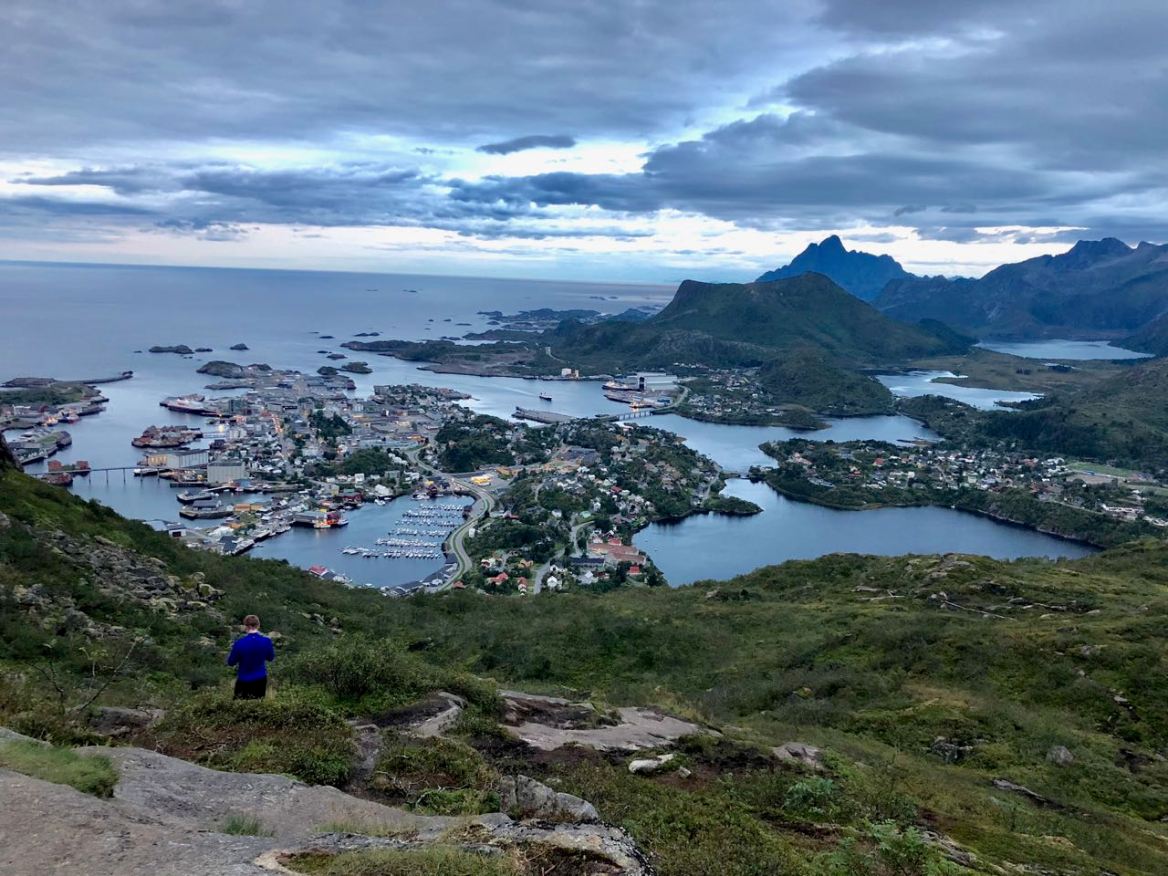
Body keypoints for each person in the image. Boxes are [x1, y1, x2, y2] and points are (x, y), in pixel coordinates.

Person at [226, 614, 275, 700]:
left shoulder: (239, 643)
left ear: (245, 626)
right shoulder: (266, 641)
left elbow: (231, 662)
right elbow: (270, 658)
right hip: (260, 679)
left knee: (239, 707)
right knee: (257, 707)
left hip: (243, 680)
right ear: (258, 625)